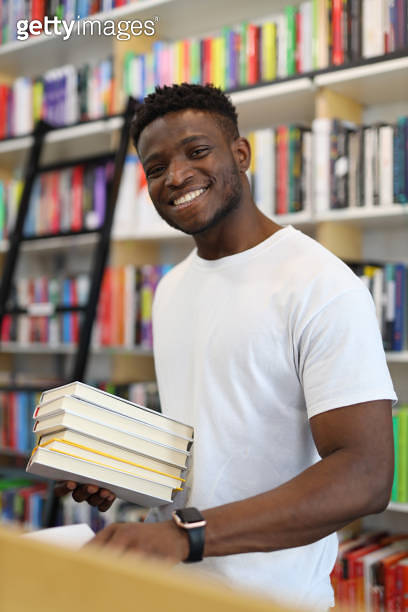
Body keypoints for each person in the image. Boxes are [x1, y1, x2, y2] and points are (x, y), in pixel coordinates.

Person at [57, 83, 397, 610]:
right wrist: (122, 472)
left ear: (241, 154)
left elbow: (365, 475)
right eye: (155, 166)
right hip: (177, 589)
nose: (176, 176)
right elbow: (212, 445)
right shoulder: (170, 289)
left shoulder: (320, 285)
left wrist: (186, 534)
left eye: (197, 151)